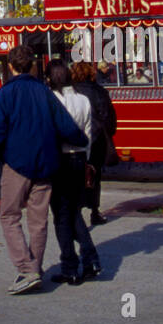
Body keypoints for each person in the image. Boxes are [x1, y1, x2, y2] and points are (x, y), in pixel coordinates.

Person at [0, 43, 86, 295]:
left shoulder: (6, 94)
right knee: (38, 220)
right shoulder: (45, 93)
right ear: (32, 65)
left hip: (17, 163)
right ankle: (36, 268)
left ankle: (26, 268)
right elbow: (66, 125)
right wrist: (82, 141)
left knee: (9, 215)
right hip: (46, 163)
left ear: (9, 66)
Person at [46, 62, 101, 284]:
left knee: (61, 215)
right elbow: (88, 133)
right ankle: (90, 260)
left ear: (50, 79)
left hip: (60, 158)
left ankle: (71, 265)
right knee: (73, 211)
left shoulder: (53, 100)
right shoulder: (83, 100)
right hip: (79, 158)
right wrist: (85, 158)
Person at [70, 60, 118, 224]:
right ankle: (94, 211)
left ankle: (76, 210)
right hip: (96, 138)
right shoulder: (100, 91)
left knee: (76, 175)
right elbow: (109, 116)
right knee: (95, 175)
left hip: (75, 138)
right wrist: (108, 133)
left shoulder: (71, 92)